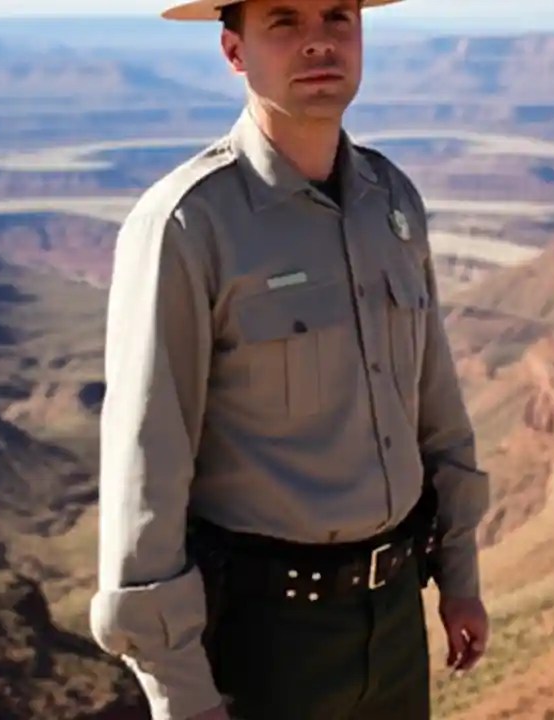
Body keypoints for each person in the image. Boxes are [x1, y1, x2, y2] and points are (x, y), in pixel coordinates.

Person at [89, 0, 491, 718]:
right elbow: (147, 468)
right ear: (234, 52)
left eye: (338, 17)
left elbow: (436, 408)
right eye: (284, 21)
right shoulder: (187, 225)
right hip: (264, 641)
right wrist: (182, 697)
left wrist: (459, 575)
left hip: (396, 622)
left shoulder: (392, 200)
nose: (318, 43)